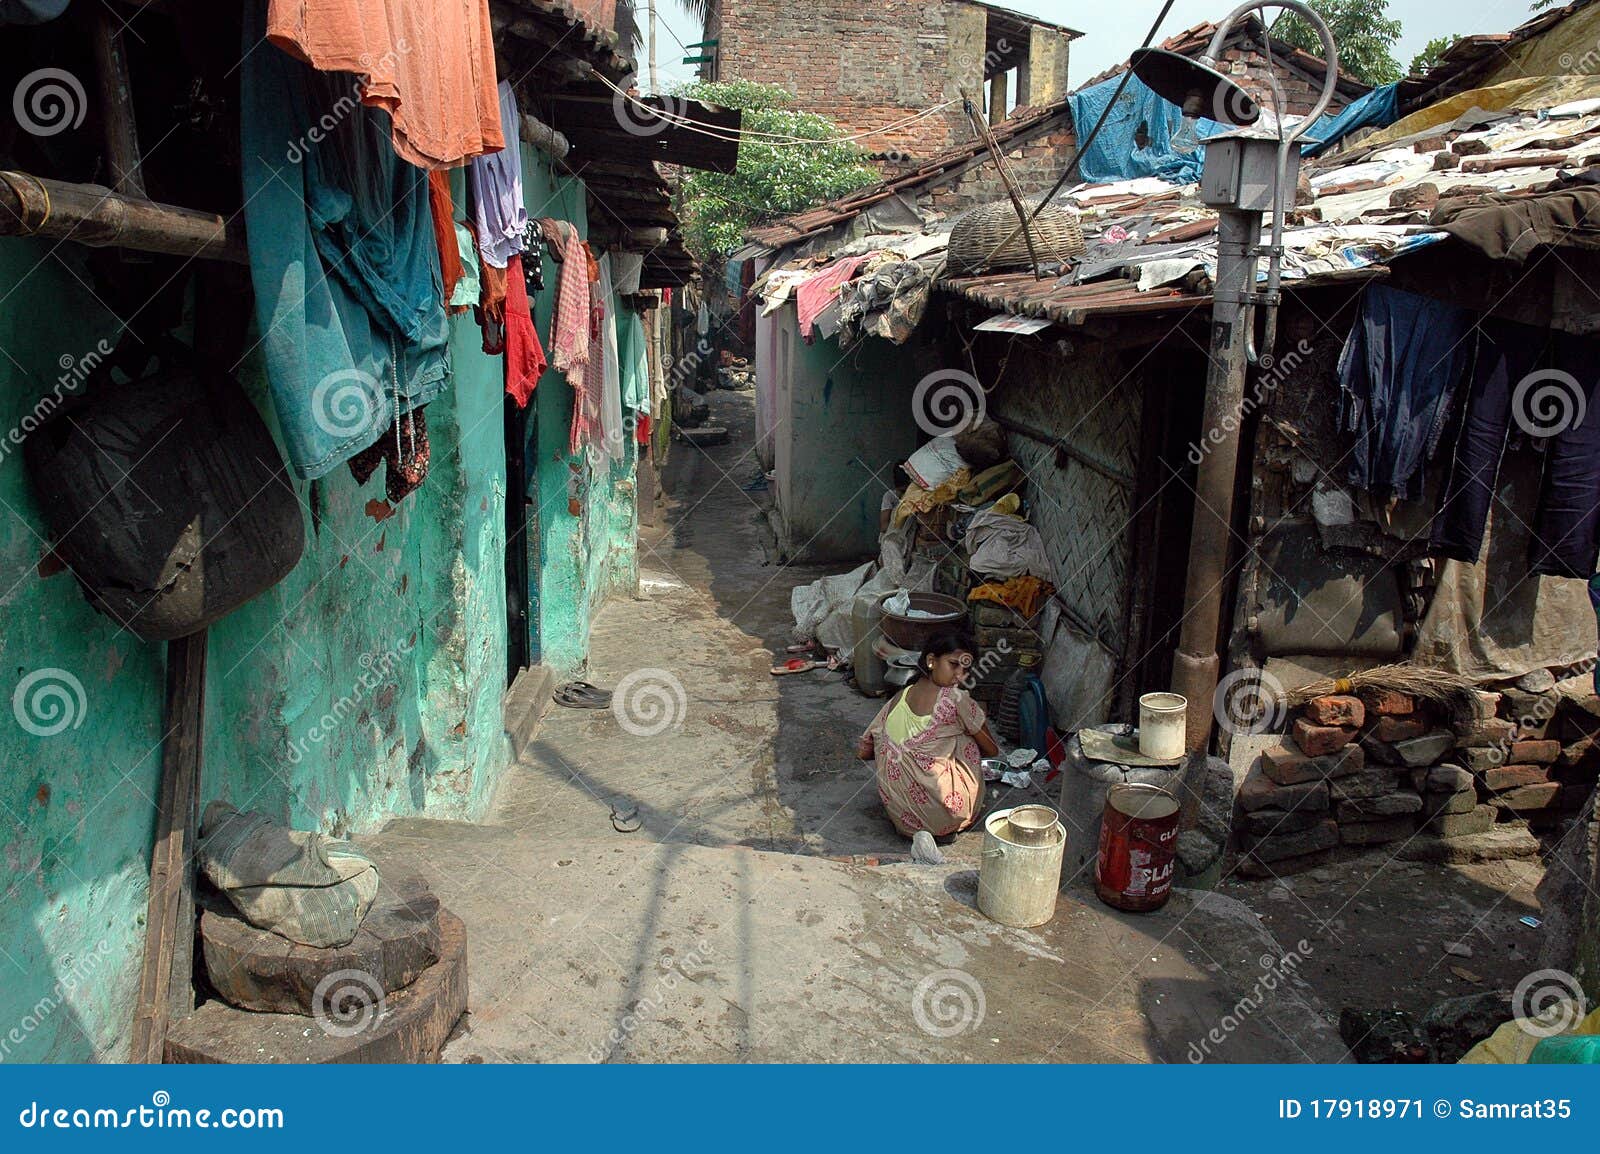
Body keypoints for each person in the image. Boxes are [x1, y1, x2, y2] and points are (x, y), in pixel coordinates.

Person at [855, 630, 999, 855]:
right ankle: (952, 808)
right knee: (964, 734)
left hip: (902, 818)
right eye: (954, 665)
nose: (960, 675)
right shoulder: (956, 699)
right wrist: (975, 715)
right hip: (942, 818)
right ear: (931, 661)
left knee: (935, 734)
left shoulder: (900, 696)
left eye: (965, 668)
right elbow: (992, 749)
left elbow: (864, 751)